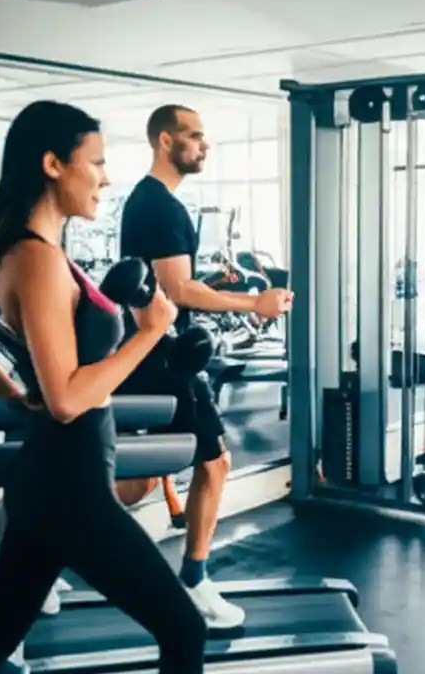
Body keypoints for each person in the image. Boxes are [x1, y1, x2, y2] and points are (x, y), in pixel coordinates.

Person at [0, 100, 205, 672]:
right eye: (95, 162)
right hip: (71, 490)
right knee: (184, 629)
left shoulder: (27, 254)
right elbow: (69, 399)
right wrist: (150, 334)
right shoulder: (37, 259)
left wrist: (8, 391)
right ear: (53, 163)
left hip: (53, 483)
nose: (105, 177)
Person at [116, 104, 292, 629]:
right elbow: (177, 289)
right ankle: (194, 579)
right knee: (213, 464)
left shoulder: (153, 202)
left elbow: (177, 283)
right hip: (164, 357)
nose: (204, 146)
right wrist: (254, 303)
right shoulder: (160, 206)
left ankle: (51, 523)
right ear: (166, 142)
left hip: (157, 352)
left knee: (137, 481)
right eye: (194, 137)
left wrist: (230, 289)